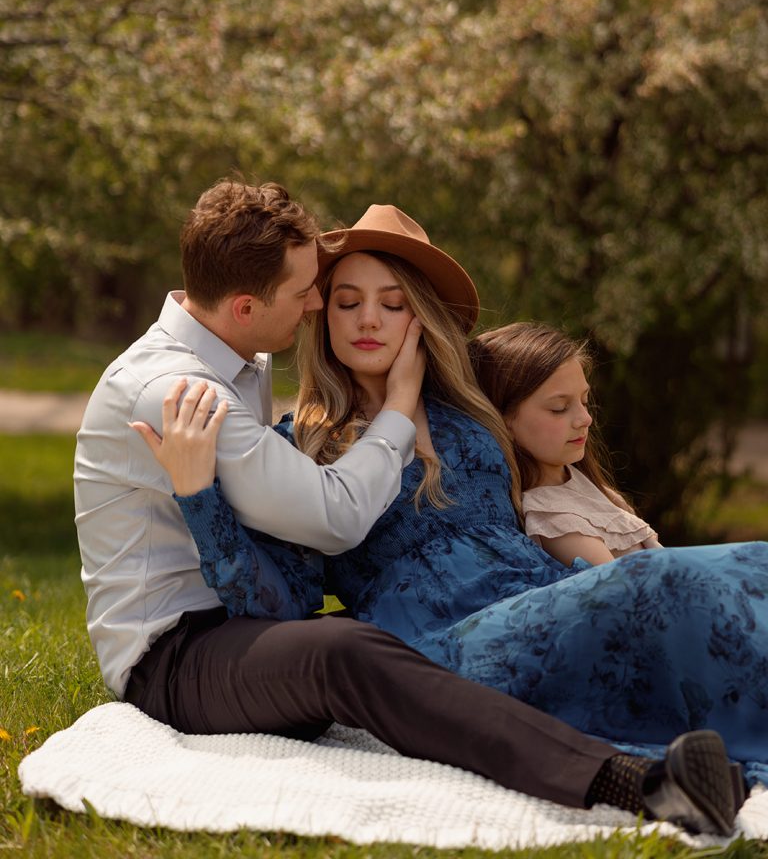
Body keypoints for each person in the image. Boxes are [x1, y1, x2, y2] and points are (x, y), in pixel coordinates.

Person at [74, 180, 739, 830]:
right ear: (250, 307)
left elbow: (552, 401)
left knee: (709, 583)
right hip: (196, 652)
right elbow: (320, 538)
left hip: (469, 602)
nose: (324, 307)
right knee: (347, 647)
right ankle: (636, 783)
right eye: (325, 296)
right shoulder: (195, 398)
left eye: (393, 304)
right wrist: (204, 495)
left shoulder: (263, 372)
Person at [468, 321, 663, 567]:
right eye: (559, 408)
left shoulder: (586, 486)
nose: (586, 418)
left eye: (585, 400)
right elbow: (623, 590)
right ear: (503, 420)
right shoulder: (554, 519)